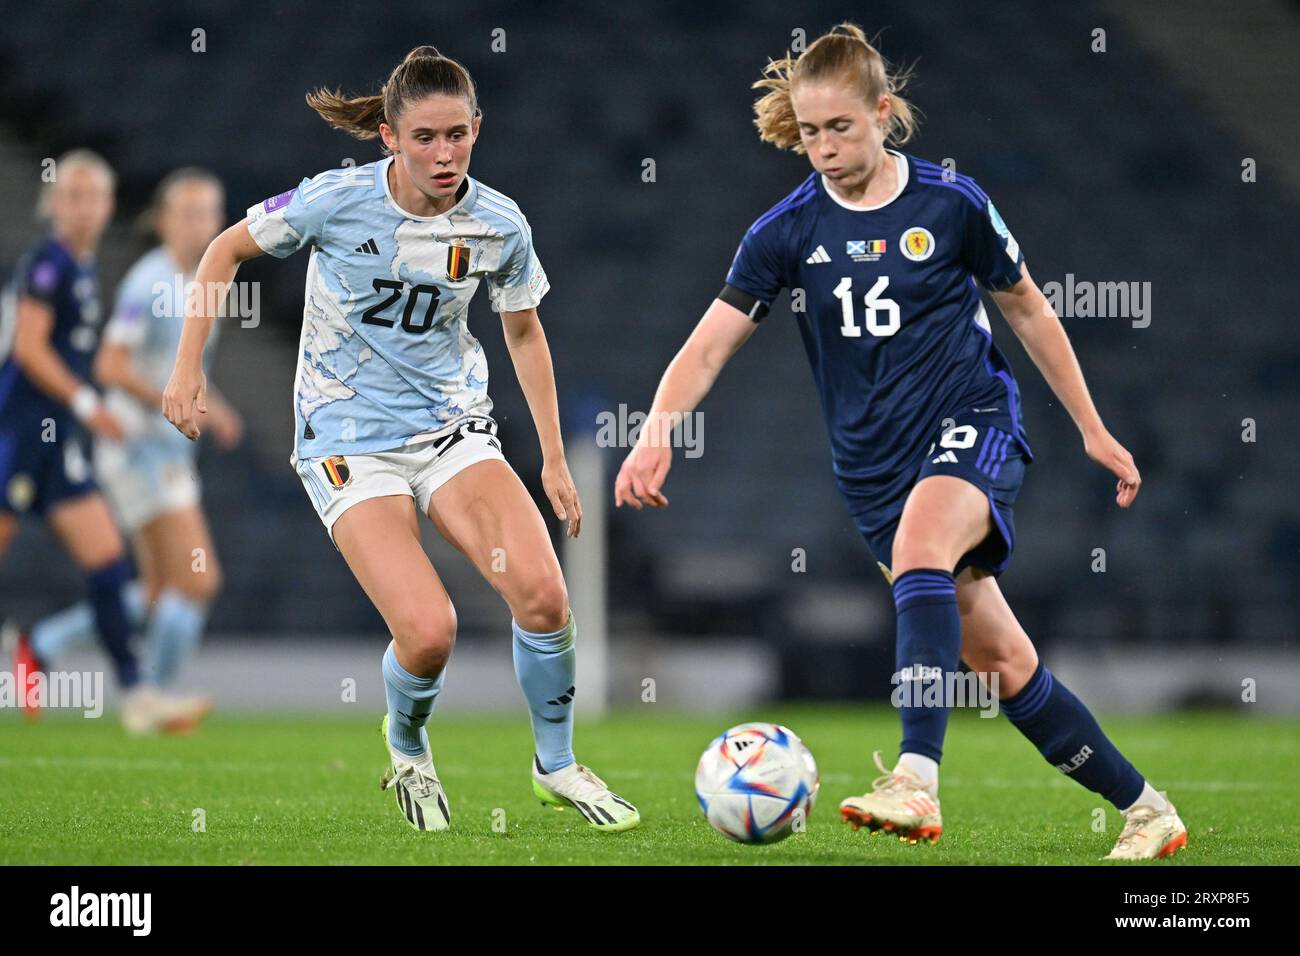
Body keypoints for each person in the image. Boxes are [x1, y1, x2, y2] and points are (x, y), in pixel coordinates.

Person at [614, 24, 1186, 860]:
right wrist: (655, 434)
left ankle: (915, 775)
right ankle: (1146, 807)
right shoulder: (786, 229)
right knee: (1002, 660)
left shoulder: (951, 203)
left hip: (971, 422)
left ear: (884, 113)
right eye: (808, 132)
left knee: (925, 547)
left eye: (840, 127)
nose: (822, 148)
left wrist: (1093, 429)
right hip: (873, 468)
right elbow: (708, 345)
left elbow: (1026, 306)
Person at [162, 46, 639, 833]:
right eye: (425, 137)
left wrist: (552, 456)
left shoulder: (499, 223)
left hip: (452, 429)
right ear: (388, 137)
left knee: (546, 597)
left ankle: (556, 765)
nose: (443, 153)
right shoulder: (334, 201)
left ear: (477, 130)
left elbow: (522, 333)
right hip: (347, 438)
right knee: (428, 633)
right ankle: (408, 745)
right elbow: (225, 250)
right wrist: (187, 371)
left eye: (457, 134)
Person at [0, 150, 211, 733]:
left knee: (110, 566)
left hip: (58, 442)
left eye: (95, 196)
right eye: (74, 195)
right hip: (18, 436)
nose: (85, 206)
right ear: (53, 203)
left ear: (110, 205)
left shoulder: (84, 267)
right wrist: (91, 404)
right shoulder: (48, 264)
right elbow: (29, 349)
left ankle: (138, 695)